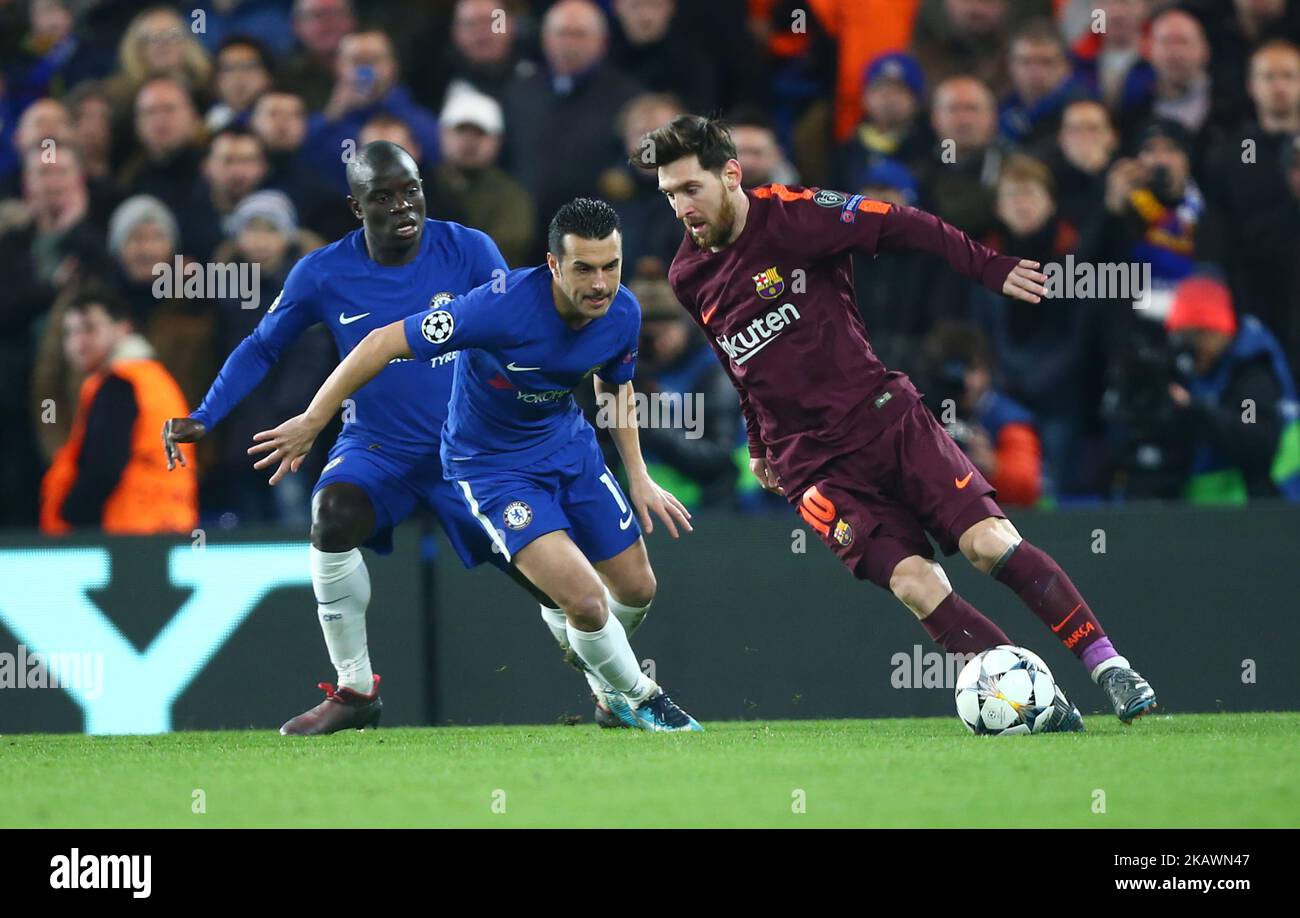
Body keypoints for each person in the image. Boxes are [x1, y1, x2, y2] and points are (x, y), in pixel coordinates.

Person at [639, 114, 1158, 725]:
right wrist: (757, 442)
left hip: (884, 418)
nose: (680, 207)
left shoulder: (798, 215)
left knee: (989, 545)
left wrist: (988, 267)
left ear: (731, 175)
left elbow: (903, 223)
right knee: (915, 583)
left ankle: (1110, 666)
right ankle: (1036, 705)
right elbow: (737, 362)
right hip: (810, 465)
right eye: (669, 193)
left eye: (690, 189)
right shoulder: (687, 275)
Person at [163, 143, 618, 734]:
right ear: (357, 208)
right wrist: (207, 412)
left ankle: (613, 693)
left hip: (475, 452)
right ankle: (355, 691)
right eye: (383, 197)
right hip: (378, 449)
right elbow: (263, 344)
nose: (403, 206)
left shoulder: (470, 249)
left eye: (411, 190)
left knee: (555, 586)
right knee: (330, 516)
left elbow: (521, 330)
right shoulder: (323, 272)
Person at [249, 197, 703, 733]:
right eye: (584, 268)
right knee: (583, 602)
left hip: (570, 450)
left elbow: (615, 384)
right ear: (554, 265)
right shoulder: (497, 307)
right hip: (491, 467)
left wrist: (639, 475)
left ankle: (607, 689)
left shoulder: (623, 311)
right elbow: (379, 343)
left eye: (611, 266)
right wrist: (313, 419)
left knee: (636, 590)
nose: (600, 283)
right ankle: (643, 697)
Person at [41, 287, 198, 535]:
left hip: (128, 533)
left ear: (123, 328)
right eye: (69, 333)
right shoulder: (152, 379)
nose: (78, 342)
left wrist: (68, 517)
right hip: (164, 526)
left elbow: (104, 468)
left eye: (89, 328)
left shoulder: (121, 384)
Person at [1165, 275, 1300, 503]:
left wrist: (1195, 410)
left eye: (1193, 337)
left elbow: (1253, 436)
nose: (1188, 349)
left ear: (1216, 332)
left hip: (1272, 504)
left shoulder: (1253, 378)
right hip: (1220, 510)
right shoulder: (1200, 371)